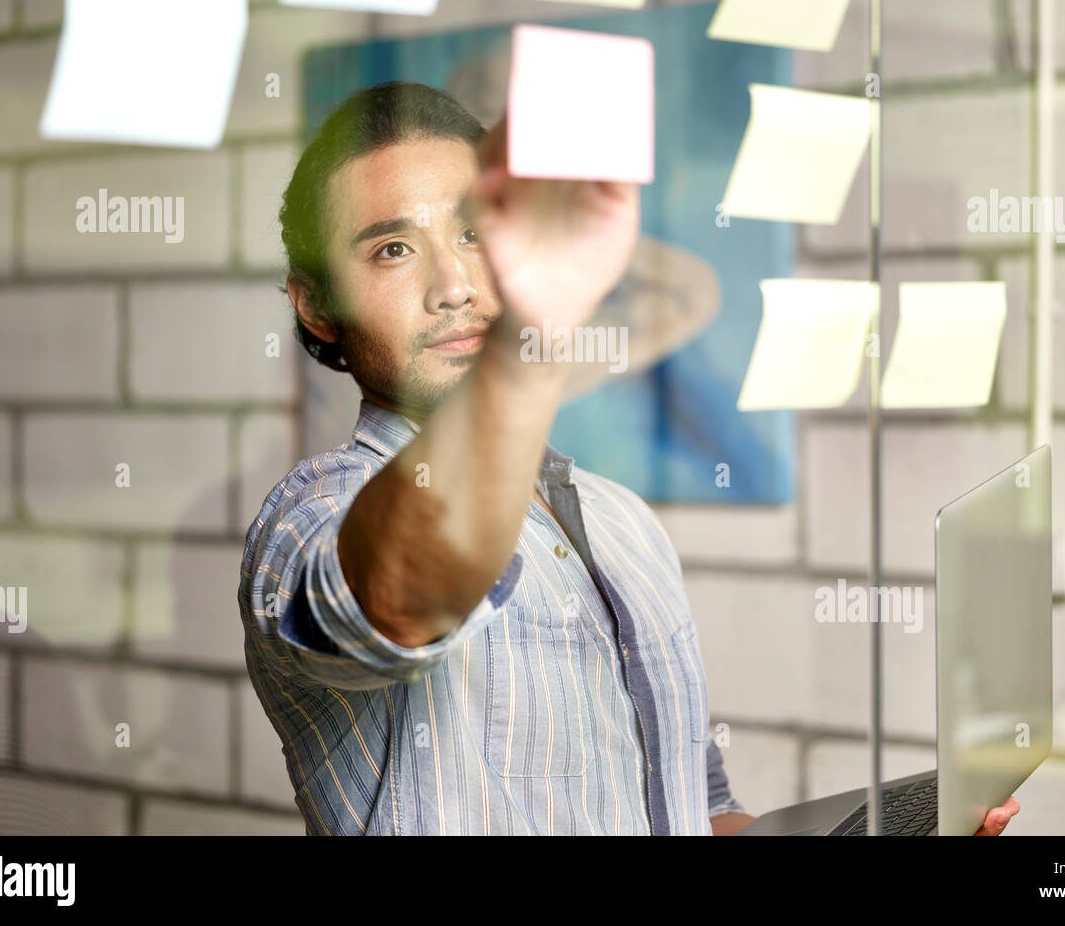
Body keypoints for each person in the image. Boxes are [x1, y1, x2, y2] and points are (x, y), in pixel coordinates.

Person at [238, 80, 1019, 837]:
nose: (455, 285)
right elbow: (397, 596)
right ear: (316, 304)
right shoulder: (309, 519)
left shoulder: (623, 523)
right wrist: (532, 330)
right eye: (394, 249)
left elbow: (698, 810)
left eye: (475, 231)